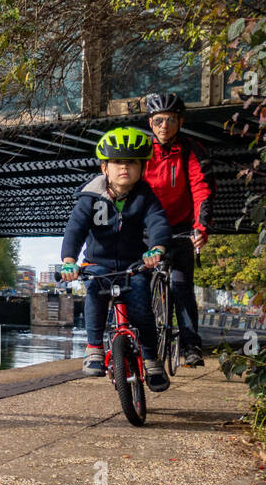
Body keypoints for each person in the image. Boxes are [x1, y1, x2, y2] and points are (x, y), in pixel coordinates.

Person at [59, 127, 172, 391]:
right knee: (95, 292)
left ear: (142, 168)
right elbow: (75, 229)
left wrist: (156, 248)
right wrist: (68, 260)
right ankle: (94, 348)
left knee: (142, 308)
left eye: (132, 162)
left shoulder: (145, 196)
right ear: (104, 168)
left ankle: (151, 358)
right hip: (99, 263)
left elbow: (157, 222)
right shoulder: (90, 198)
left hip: (134, 264)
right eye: (118, 162)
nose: (125, 168)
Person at [143, 92, 214, 366]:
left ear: (180, 121)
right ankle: (144, 341)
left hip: (181, 226)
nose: (164, 126)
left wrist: (201, 227)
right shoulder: (142, 150)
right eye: (158, 120)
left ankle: (190, 346)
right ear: (151, 122)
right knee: (142, 284)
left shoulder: (191, 149)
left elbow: (202, 188)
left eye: (170, 120)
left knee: (181, 285)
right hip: (148, 228)